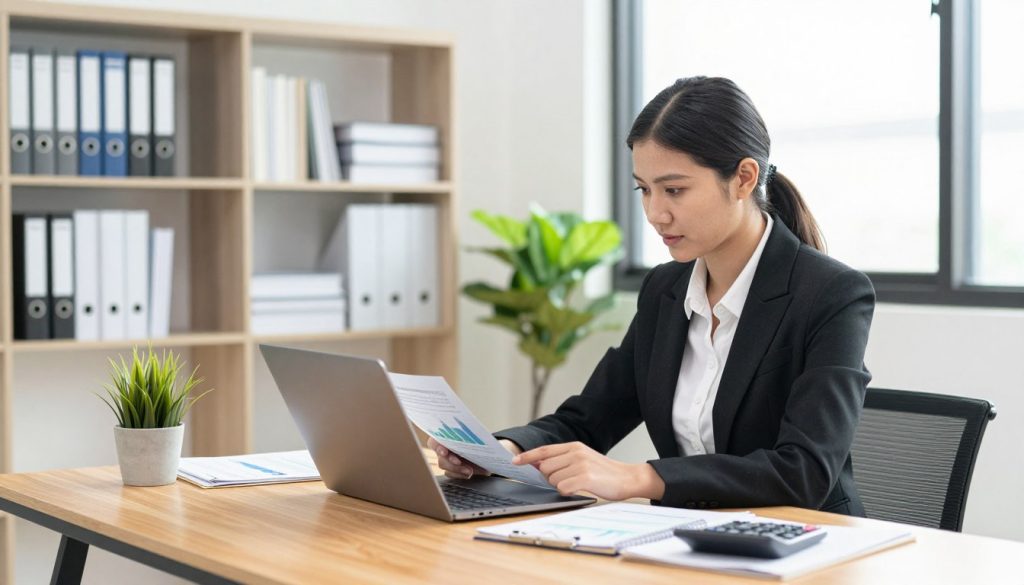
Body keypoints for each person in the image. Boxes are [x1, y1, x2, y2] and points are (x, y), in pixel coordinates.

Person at [430, 76, 875, 515]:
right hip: (695, 538)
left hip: (811, 542)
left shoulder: (832, 295)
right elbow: (588, 420)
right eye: (644, 189)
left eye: (675, 190)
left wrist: (639, 477)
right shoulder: (665, 290)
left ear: (743, 178)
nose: (655, 213)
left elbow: (804, 472)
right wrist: (498, 451)